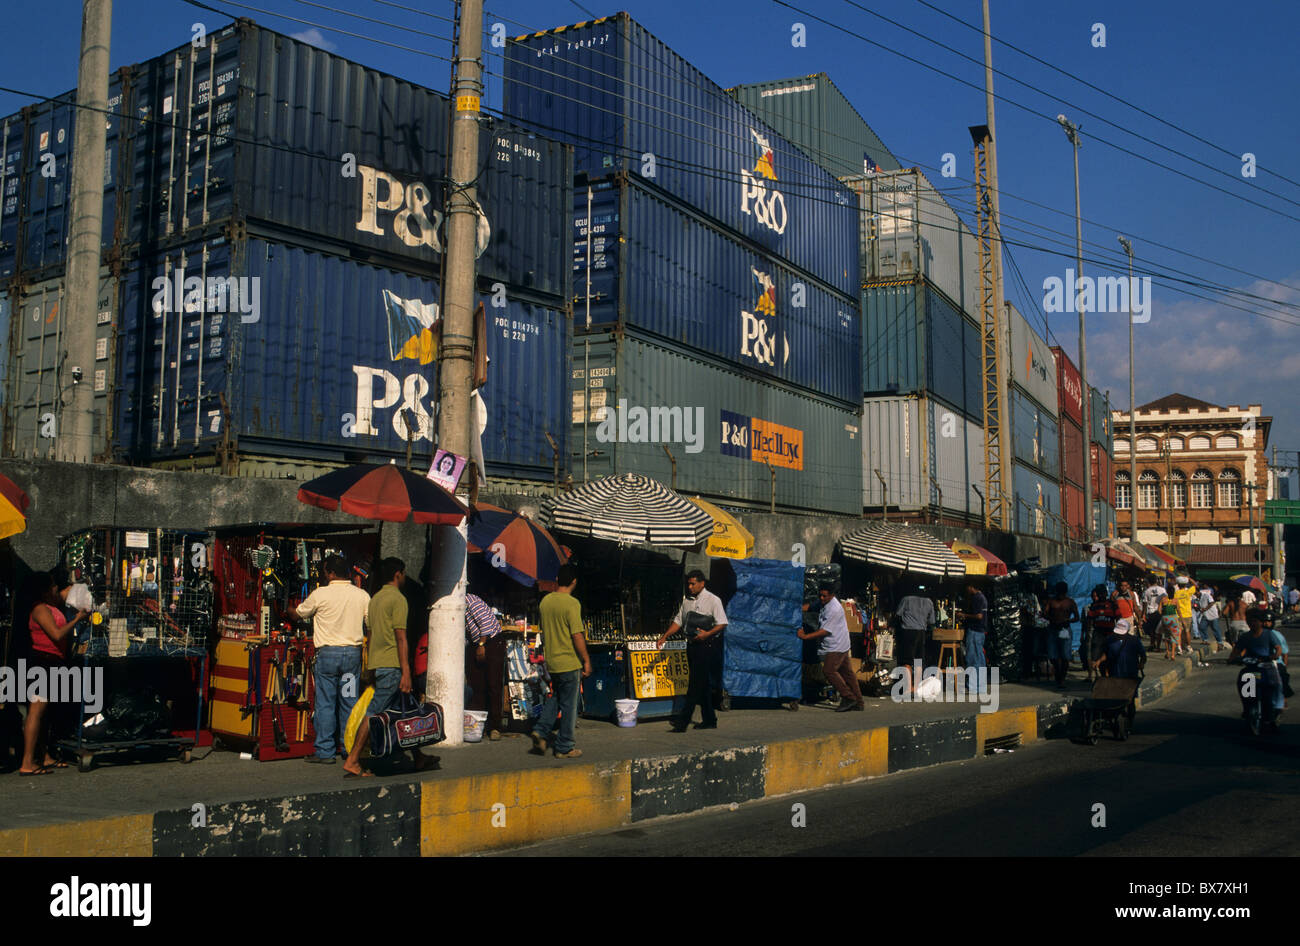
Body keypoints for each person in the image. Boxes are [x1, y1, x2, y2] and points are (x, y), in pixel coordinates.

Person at [342, 558, 434, 777]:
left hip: (378, 664)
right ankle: (353, 759)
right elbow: (401, 638)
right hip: (392, 666)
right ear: (398, 574)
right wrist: (406, 672)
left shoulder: (375, 599)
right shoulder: (398, 599)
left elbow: (371, 636)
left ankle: (419, 756)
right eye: (403, 574)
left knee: (406, 710)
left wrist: (370, 668)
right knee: (373, 713)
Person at [296, 555, 370, 764]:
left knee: (326, 703)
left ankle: (325, 751)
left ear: (329, 573)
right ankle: (348, 749)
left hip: (328, 656)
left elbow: (300, 613)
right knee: (348, 702)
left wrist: (289, 611)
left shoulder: (320, 594)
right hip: (351, 656)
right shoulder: (361, 595)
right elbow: (370, 622)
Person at [19, 573, 90, 775]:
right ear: (43, 590)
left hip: (53, 661)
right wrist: (76, 619)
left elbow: (67, 593)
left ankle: (43, 756)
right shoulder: (40, 609)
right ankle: (27, 762)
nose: (55, 589)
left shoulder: (50, 606)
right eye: (52, 586)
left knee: (44, 713)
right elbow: (56, 634)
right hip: (42, 662)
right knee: (36, 711)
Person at [531, 565, 591, 758]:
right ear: (574, 581)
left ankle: (540, 730)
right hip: (569, 661)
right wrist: (586, 659)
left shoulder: (545, 602)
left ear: (557, 579)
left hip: (552, 661)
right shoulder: (572, 604)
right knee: (569, 705)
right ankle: (564, 746)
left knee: (556, 697)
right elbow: (577, 635)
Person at [657, 569, 728, 731]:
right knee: (701, 685)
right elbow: (678, 620)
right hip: (692, 646)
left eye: (693, 583)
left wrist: (707, 634)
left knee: (694, 685)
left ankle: (683, 722)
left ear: (702, 583)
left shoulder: (713, 600)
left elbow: (722, 622)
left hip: (706, 647)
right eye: (688, 583)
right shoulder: (687, 601)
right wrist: (665, 636)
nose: (690, 587)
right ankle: (710, 719)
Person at [797, 583, 863, 711]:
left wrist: (805, 636)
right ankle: (859, 702)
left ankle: (848, 697)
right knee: (848, 673)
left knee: (829, 671)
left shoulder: (834, 609)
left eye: (824, 596)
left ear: (832, 595)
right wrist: (797, 609)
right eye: (820, 595)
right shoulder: (824, 602)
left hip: (836, 645)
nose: (821, 598)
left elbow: (825, 631)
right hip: (841, 643)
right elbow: (810, 606)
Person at [1228, 607, 1283, 730]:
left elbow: (1278, 649)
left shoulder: (1269, 634)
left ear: (1260, 622)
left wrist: (1273, 656)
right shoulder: (1245, 637)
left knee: (1276, 685)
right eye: (1250, 621)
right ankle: (1247, 708)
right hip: (1250, 667)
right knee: (1243, 684)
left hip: (1267, 666)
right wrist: (1232, 659)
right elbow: (1236, 651)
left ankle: (1276, 711)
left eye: (1255, 620)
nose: (1252, 623)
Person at [464, 592, 506, 741]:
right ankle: (479, 725)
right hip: (477, 644)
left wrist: (481, 645)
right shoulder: (459, 607)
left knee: (493, 685)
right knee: (477, 686)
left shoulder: (471, 601)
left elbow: (486, 624)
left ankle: (495, 727)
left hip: (492, 642)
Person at [893, 584, 935, 695]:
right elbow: (932, 621)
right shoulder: (929, 602)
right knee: (918, 660)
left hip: (907, 632)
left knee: (906, 660)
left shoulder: (906, 599)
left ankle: (907, 688)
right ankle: (916, 687)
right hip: (921, 633)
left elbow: (898, 615)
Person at [955, 583, 989, 694]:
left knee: (973, 658)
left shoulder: (977, 598)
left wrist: (964, 615)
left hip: (975, 631)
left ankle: (973, 686)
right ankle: (979, 686)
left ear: (971, 586)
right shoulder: (982, 597)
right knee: (979, 658)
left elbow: (979, 616)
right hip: (980, 632)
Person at [1044, 582, 1078, 688]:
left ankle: (1061, 678)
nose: (1060, 595)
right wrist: (1052, 619)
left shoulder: (1070, 602)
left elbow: (1077, 617)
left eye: (1062, 593)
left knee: (1065, 656)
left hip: (1065, 630)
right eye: (1059, 592)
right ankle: (1058, 674)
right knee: (1053, 656)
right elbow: (1045, 613)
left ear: (1065, 592)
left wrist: (1068, 620)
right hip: (1053, 630)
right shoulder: (1051, 602)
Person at [1084, 585, 1118, 682]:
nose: (1101, 595)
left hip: (1110, 634)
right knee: (1096, 656)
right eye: (1100, 594)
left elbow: (1119, 619)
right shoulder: (1094, 606)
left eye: (1103, 593)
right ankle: (1100, 677)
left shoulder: (1112, 605)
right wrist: (1089, 634)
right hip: (1098, 634)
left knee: (1111, 656)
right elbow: (1089, 621)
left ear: (1106, 594)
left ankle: (1109, 676)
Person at [1140, 578, 1166, 649]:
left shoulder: (1146, 591)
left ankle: (1152, 644)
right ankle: (1158, 646)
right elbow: (1165, 600)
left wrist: (1143, 615)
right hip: (1160, 612)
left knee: (1152, 630)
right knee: (1159, 630)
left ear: (1148, 582)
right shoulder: (1162, 590)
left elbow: (1145, 604)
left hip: (1150, 612)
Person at [1197, 584, 1224, 652]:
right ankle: (1205, 639)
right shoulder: (1197, 598)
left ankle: (1220, 642)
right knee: (1201, 627)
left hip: (1212, 615)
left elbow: (1212, 603)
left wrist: (1205, 609)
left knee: (1215, 628)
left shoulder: (1206, 595)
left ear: (1198, 592)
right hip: (1205, 615)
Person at [1173, 577, 1196, 654]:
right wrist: (1189, 578)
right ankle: (1189, 646)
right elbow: (1195, 585)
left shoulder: (1176, 593)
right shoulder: (1188, 592)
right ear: (1185, 584)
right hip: (1187, 615)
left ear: (1178, 585)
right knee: (1187, 631)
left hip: (1178, 615)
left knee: (1179, 632)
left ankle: (1179, 648)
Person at [1159, 586, 1181, 660]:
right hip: (1173, 619)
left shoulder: (1163, 599)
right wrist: (1182, 620)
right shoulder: (1175, 600)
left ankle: (1167, 651)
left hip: (1165, 619)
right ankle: (1173, 654)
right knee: (1174, 637)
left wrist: (1163, 615)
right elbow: (1178, 610)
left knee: (1166, 636)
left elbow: (1159, 611)